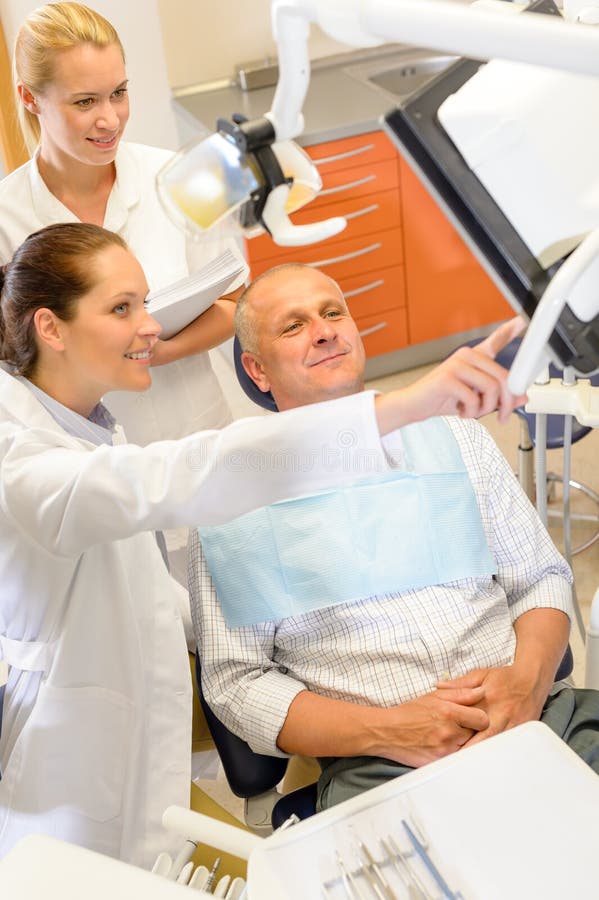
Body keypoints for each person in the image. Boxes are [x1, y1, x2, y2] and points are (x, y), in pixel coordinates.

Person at [0, 224, 528, 866]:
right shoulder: (20, 455)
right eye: (122, 308)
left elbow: (155, 598)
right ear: (51, 329)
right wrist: (406, 403)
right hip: (66, 773)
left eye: (144, 303)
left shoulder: (92, 434)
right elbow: (185, 476)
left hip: (509, 724)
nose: (153, 328)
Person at [191, 263, 599, 815]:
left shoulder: (454, 437)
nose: (325, 329)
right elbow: (237, 683)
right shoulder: (229, 500)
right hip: (382, 765)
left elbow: (541, 578)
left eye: (333, 312)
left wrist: (526, 685)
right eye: (294, 325)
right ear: (257, 371)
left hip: (536, 712)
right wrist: (387, 731)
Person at [0, 1, 249, 589]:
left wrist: (153, 350)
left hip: (192, 438)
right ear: (31, 99)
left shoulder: (187, 176)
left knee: (227, 628)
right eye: (85, 101)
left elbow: (238, 305)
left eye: (119, 93)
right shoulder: (7, 215)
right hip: (80, 473)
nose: (110, 119)